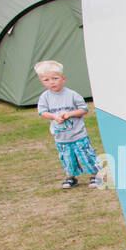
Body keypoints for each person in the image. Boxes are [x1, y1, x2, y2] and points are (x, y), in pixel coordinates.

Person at [34, 59, 101, 188]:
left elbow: (84, 109)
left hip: (78, 134)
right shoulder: (45, 97)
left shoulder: (72, 95)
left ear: (63, 78)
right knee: (67, 157)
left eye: (55, 78)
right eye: (46, 80)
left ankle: (94, 175)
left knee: (85, 154)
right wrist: (54, 116)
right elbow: (42, 112)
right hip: (61, 136)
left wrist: (70, 114)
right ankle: (71, 177)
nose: (51, 82)